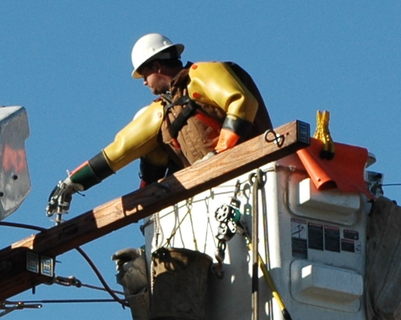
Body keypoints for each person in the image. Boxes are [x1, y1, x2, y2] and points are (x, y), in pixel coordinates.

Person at [47, 33, 270, 214]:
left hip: (256, 176)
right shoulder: (161, 113)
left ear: (157, 66)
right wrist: (71, 183)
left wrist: (222, 153)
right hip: (216, 196)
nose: (143, 82)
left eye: (144, 74)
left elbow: (241, 102)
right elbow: (120, 148)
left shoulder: (201, 75)